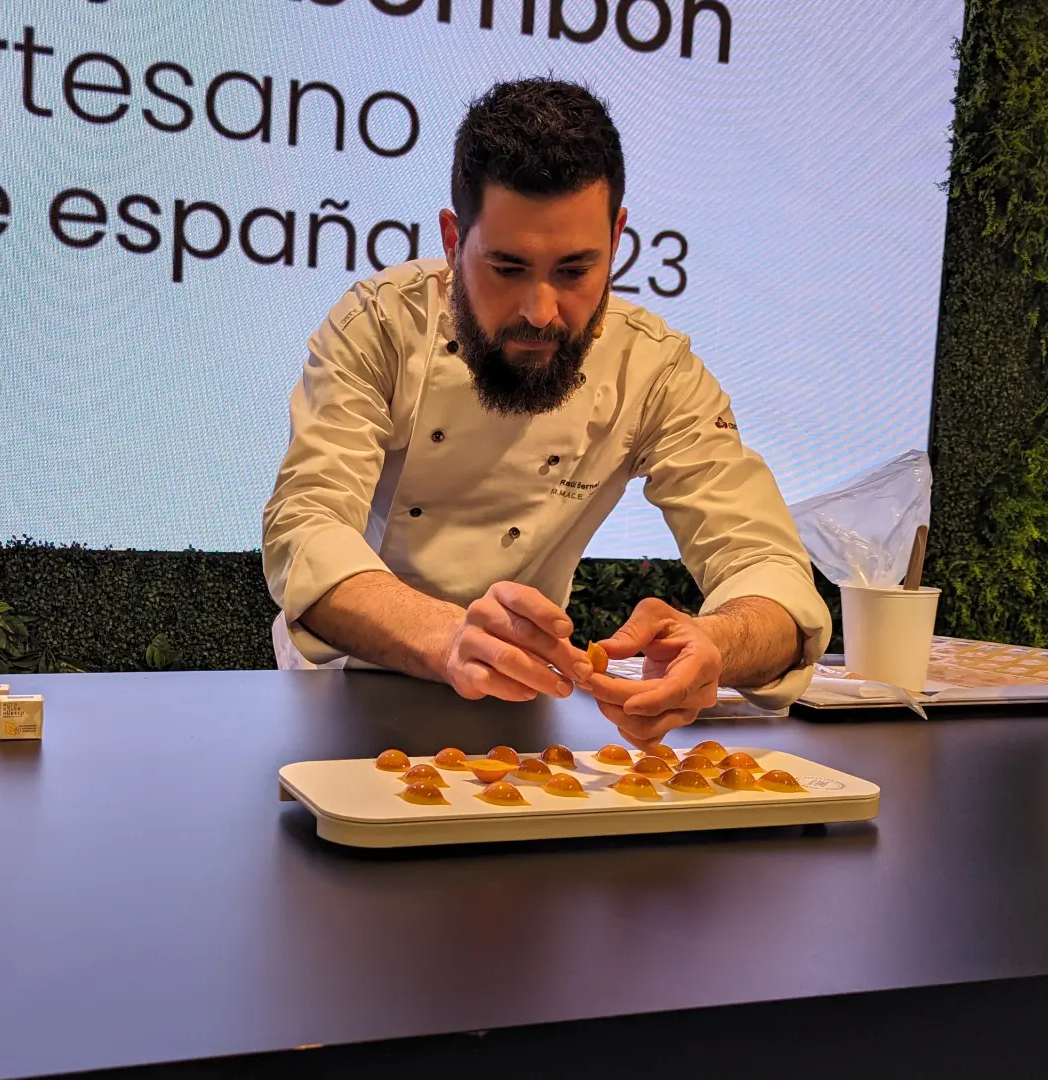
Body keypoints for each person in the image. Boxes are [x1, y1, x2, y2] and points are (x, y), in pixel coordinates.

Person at [263, 78, 830, 748]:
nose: (540, 312)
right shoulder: (382, 325)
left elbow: (767, 566)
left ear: (616, 240)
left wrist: (718, 643)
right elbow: (307, 527)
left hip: (521, 708)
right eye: (507, 268)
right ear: (453, 239)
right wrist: (449, 636)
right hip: (345, 695)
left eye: (574, 271)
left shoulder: (653, 370)